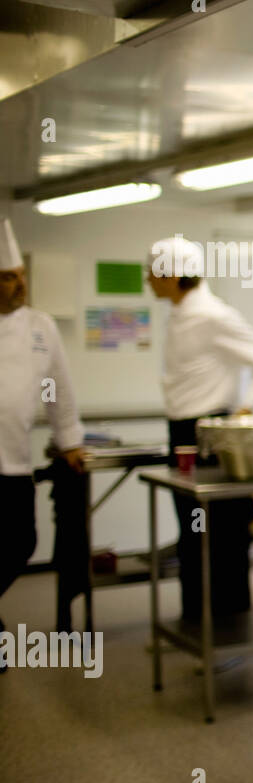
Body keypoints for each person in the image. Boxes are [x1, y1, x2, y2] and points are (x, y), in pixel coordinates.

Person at [146, 236, 253, 623]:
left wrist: (244, 410)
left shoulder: (211, 314)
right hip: (183, 433)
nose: (147, 281)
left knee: (221, 534)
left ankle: (227, 621)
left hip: (208, 432)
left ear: (171, 276)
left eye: (151, 274)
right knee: (192, 532)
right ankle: (196, 617)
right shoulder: (179, 312)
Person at [0, 218, 85, 668]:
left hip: (14, 463)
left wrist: (68, 439)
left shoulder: (40, 327)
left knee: (21, 543)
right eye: (8, 277)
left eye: (21, 275)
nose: (19, 285)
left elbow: (58, 388)